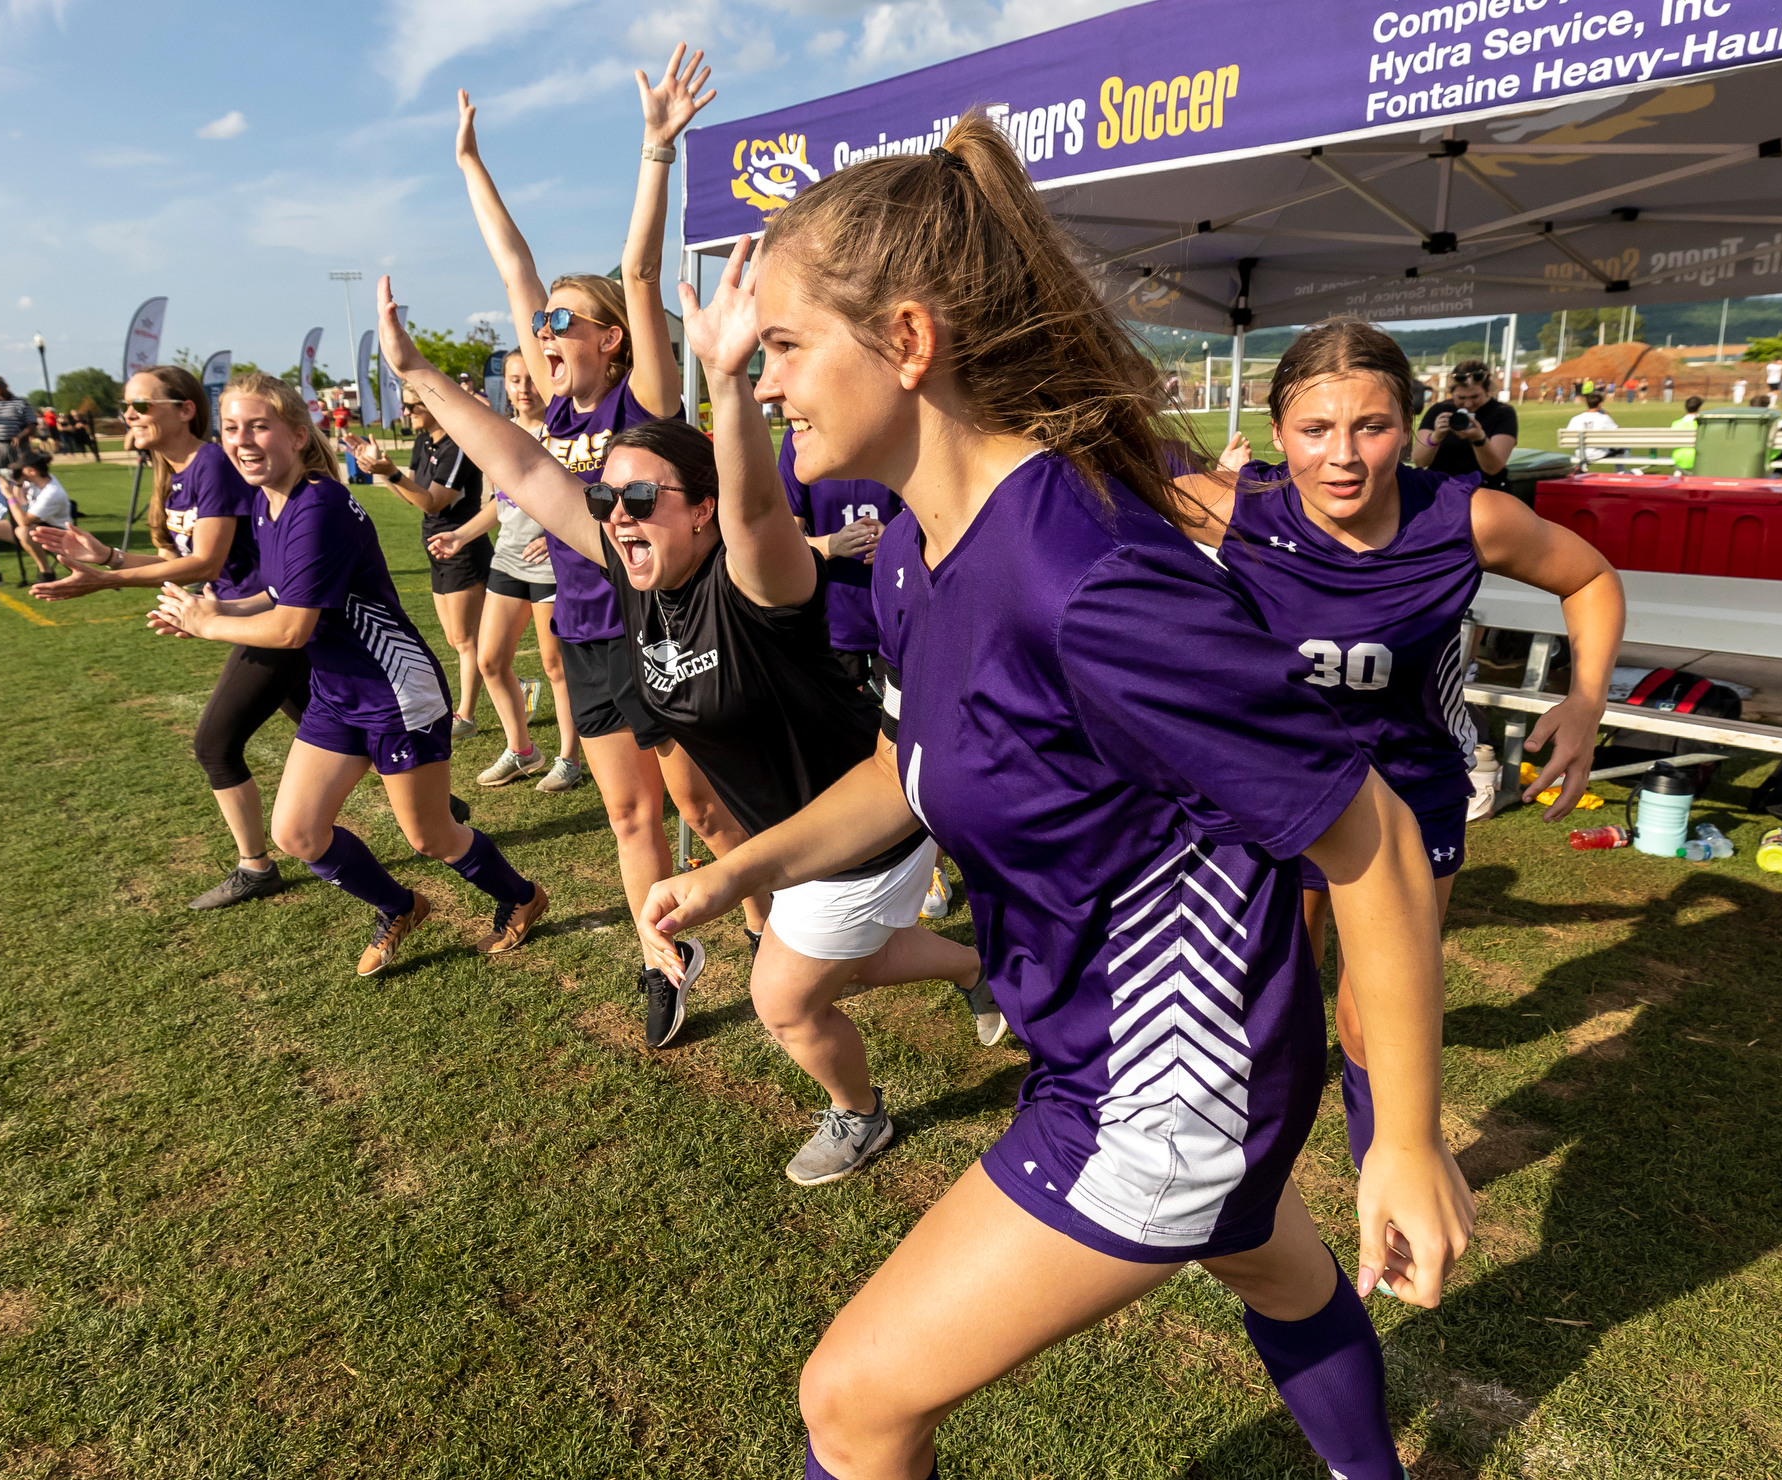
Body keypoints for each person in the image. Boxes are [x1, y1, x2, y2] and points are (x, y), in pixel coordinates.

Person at [636, 114, 1474, 1480]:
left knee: (852, 1398)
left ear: (906, 343)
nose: (767, 381)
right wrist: (746, 870)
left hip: (1167, 1083)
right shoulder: (919, 549)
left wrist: (1411, 1140)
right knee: (1268, 1268)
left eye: (785, 347)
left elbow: (1367, 835)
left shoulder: (1088, 585)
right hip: (1115, 1040)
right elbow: (914, 766)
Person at [380, 244, 992, 1180]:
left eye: (640, 498)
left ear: (700, 512)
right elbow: (520, 462)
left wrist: (728, 379)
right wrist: (420, 373)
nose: (616, 515)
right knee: (854, 965)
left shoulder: (757, 575)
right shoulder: (635, 574)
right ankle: (978, 968)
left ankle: (857, 1114)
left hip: (862, 826)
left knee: (784, 998)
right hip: (792, 838)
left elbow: (752, 508)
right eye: (606, 500)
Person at [1195, 320, 1624, 1176]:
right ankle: (1247, 1209)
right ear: (1276, 434)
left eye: (1372, 426)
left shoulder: (1469, 517)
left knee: (1368, 1018)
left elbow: (1590, 576)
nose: (1343, 455)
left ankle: (1387, 1188)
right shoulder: (1230, 506)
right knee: (1266, 1010)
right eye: (1315, 430)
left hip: (1407, 799)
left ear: (1411, 426)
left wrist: (1584, 700)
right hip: (1277, 794)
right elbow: (1068, 507)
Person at [455, 54, 768, 1036]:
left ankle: (770, 927)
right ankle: (662, 960)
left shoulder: (645, 399)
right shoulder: (548, 403)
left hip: (662, 629)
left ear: (612, 340)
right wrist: (470, 166)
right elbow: (512, 264)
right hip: (588, 632)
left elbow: (637, 269)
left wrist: (655, 149)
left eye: (561, 321)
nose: (541, 329)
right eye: (540, 323)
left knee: (702, 807)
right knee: (630, 816)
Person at [152, 372, 548, 971]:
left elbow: (291, 629)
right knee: (298, 833)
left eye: (259, 425)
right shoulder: (267, 502)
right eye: (231, 428)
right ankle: (400, 905)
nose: (242, 440)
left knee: (431, 837)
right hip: (337, 694)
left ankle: (522, 896)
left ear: (296, 433)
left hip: (396, 692)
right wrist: (209, 610)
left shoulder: (319, 507)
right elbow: (274, 590)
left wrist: (209, 624)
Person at [28, 365, 312, 911]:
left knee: (214, 743)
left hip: (267, 616)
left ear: (184, 410)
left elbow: (206, 560)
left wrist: (107, 581)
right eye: (125, 406)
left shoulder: (210, 464)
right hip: (244, 612)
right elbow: (181, 561)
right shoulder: (176, 469)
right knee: (328, 722)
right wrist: (108, 557)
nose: (128, 416)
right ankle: (435, 800)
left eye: (140, 405)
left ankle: (256, 868)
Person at [776, 429, 953, 925]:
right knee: (838, 756)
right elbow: (780, 539)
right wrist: (829, 545)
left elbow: (934, 518)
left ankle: (928, 867)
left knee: (912, 751)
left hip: (894, 623)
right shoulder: (798, 442)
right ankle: (844, 861)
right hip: (827, 628)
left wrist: (898, 540)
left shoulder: (888, 429)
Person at [406, 348, 585, 793]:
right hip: (506, 556)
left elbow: (587, 493)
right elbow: (501, 502)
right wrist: (461, 535)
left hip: (551, 563)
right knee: (489, 660)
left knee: (554, 665)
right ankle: (522, 750)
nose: (523, 388)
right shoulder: (502, 432)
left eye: (530, 378)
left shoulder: (564, 431)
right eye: (514, 380)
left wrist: (557, 534)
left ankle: (568, 758)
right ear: (503, 385)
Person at [348, 390, 489, 739]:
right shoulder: (423, 442)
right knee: (456, 640)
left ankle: (466, 717)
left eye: (413, 405)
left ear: (435, 407)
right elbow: (412, 494)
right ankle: (514, 685)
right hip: (435, 545)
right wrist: (378, 470)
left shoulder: (457, 446)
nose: (407, 411)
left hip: (462, 546)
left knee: (465, 639)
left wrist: (391, 472)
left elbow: (433, 503)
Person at [0, 450, 71, 586]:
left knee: (23, 531)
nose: (18, 471)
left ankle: (47, 573)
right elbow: (21, 505)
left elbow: (23, 520)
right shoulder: (33, 481)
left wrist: (9, 496)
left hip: (58, 533)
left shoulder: (52, 492)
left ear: (32, 471)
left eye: (21, 469)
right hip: (36, 525)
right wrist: (18, 485)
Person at [1410, 358, 1516, 490]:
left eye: (1475, 397)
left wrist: (1479, 439)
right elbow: (1420, 461)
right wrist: (1436, 437)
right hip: (1441, 489)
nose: (1468, 404)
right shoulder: (1439, 410)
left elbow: (1493, 469)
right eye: (1461, 398)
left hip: (1485, 490)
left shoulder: (1502, 413)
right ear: (1452, 392)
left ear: (1487, 390)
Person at [1564, 391, 1621, 467]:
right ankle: (1620, 473)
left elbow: (1568, 435)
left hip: (1579, 453)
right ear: (1600, 404)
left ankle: (1582, 469)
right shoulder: (1604, 418)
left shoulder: (1575, 419)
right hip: (1598, 453)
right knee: (1623, 448)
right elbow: (1618, 432)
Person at [1670, 394, 1704, 472]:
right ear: (1699, 408)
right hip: (1697, 457)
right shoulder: (1701, 424)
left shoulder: (1675, 423)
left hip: (1678, 457)